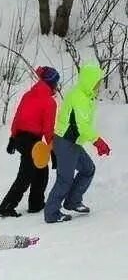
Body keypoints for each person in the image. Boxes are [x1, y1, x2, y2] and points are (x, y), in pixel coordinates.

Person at [44, 64, 110, 223]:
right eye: (97, 82)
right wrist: (97, 141)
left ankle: (72, 201)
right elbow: (82, 126)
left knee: (88, 169)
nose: (99, 86)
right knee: (65, 179)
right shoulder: (78, 97)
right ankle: (51, 213)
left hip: (73, 143)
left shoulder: (87, 96)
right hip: (65, 141)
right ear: (89, 81)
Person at [0, 66, 60, 217]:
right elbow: (48, 129)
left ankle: (36, 203)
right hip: (32, 140)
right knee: (26, 175)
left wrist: (13, 138)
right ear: (51, 83)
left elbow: (18, 117)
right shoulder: (49, 102)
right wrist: (53, 150)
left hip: (20, 138)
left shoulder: (28, 95)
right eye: (57, 83)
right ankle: (6, 207)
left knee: (40, 169)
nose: (57, 86)